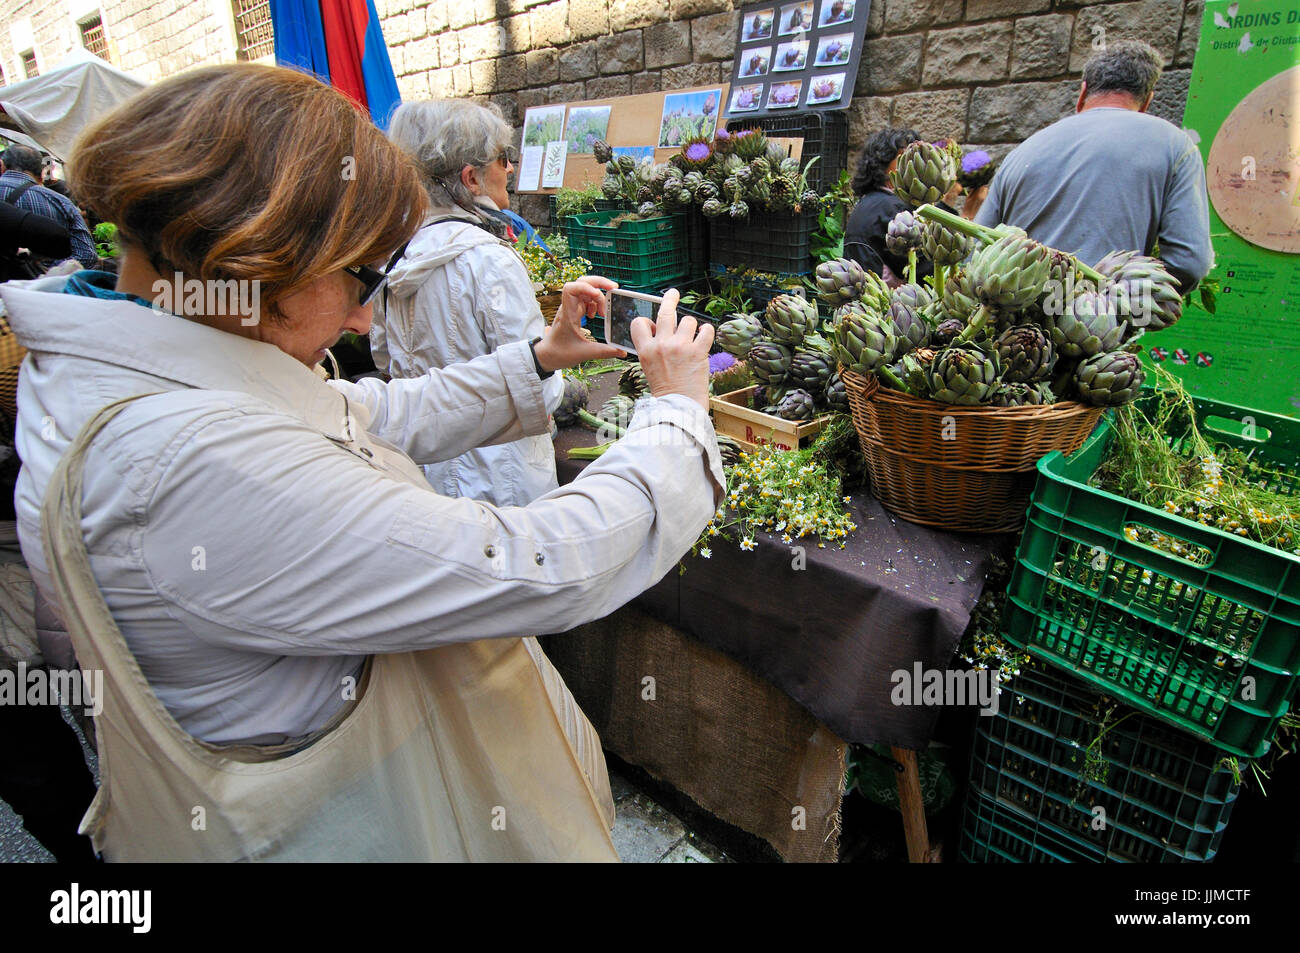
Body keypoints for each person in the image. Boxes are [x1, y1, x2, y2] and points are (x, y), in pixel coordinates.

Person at [1, 63, 722, 862]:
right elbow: (533, 565)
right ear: (253, 262)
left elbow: (370, 411)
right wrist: (676, 417)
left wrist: (538, 357)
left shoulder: (148, 357)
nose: (363, 311)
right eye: (358, 274)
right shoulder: (188, 462)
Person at [374, 100, 564, 507]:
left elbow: (385, 360)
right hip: (502, 480)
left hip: (424, 469)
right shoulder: (489, 260)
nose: (510, 168)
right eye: (502, 158)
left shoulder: (393, 256)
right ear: (471, 179)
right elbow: (539, 385)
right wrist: (558, 362)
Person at [974, 40, 1213, 292]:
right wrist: (1125, 303)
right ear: (1147, 101)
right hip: (1101, 318)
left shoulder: (1025, 148)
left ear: (1082, 93)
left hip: (1004, 320)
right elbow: (1189, 263)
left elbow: (975, 246)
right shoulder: (1175, 146)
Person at [844, 128, 958, 285]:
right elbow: (929, 272)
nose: (915, 165)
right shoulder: (894, 210)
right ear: (883, 165)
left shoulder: (870, 202)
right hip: (893, 306)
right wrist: (947, 204)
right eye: (905, 158)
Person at [0, 145, 97, 269]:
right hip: (38, 284)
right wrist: (44, 272)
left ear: (1, 165)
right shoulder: (60, 202)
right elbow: (87, 255)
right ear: (42, 171)